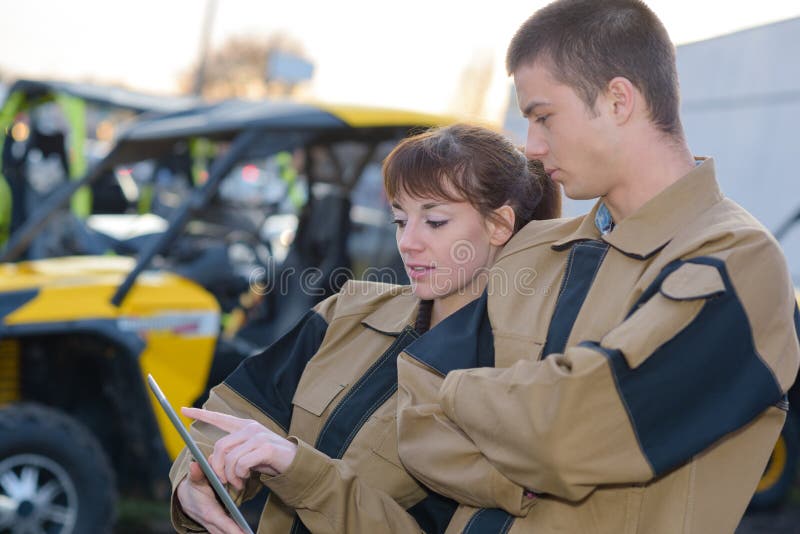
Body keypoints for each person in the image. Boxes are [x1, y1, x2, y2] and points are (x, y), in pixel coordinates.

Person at [396, 1, 800, 533]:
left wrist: (461, 393)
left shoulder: (737, 261)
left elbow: (569, 432)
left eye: (543, 117)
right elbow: (415, 411)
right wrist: (520, 449)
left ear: (617, 99)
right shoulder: (531, 248)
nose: (533, 148)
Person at [168, 123, 561, 534]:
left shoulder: (515, 373)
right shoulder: (347, 312)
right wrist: (197, 478)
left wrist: (298, 468)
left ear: (499, 224)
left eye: (436, 221)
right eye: (399, 220)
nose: (408, 242)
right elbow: (241, 406)